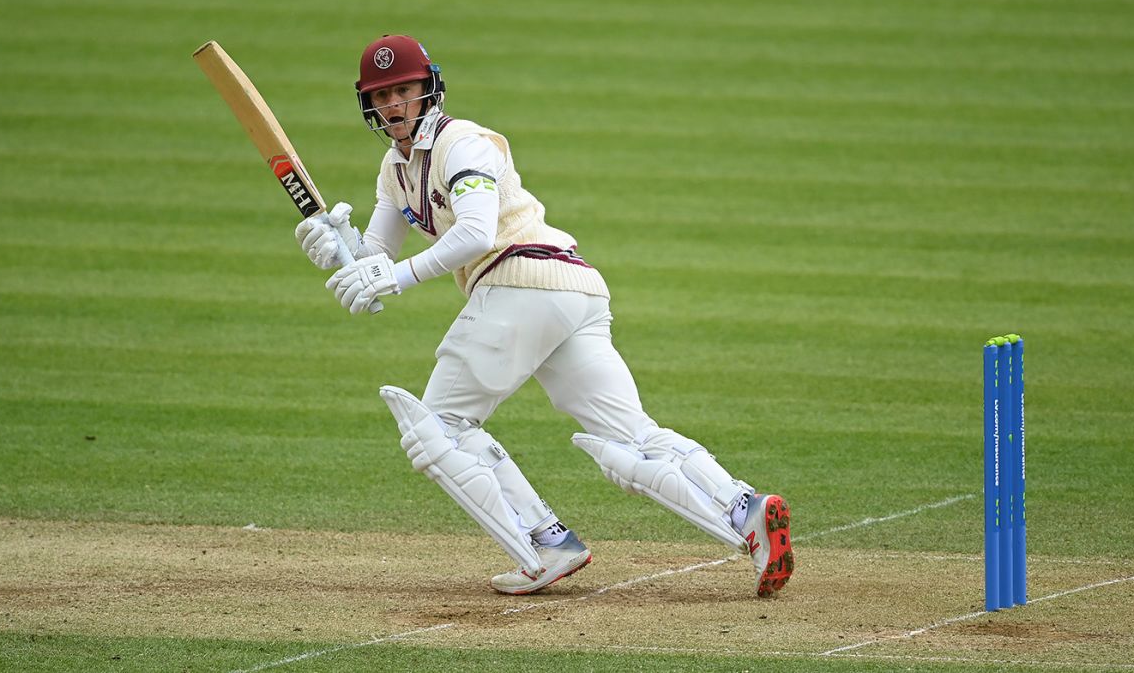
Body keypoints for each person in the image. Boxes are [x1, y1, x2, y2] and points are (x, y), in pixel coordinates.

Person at [294, 34, 793, 597]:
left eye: (404, 90)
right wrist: (338, 245)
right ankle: (746, 510)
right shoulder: (395, 168)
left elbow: (477, 232)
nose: (393, 106)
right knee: (631, 439)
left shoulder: (463, 143)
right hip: (568, 291)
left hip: (520, 284)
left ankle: (545, 543)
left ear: (430, 88)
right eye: (382, 95)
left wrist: (398, 275)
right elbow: (376, 258)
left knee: (438, 427)